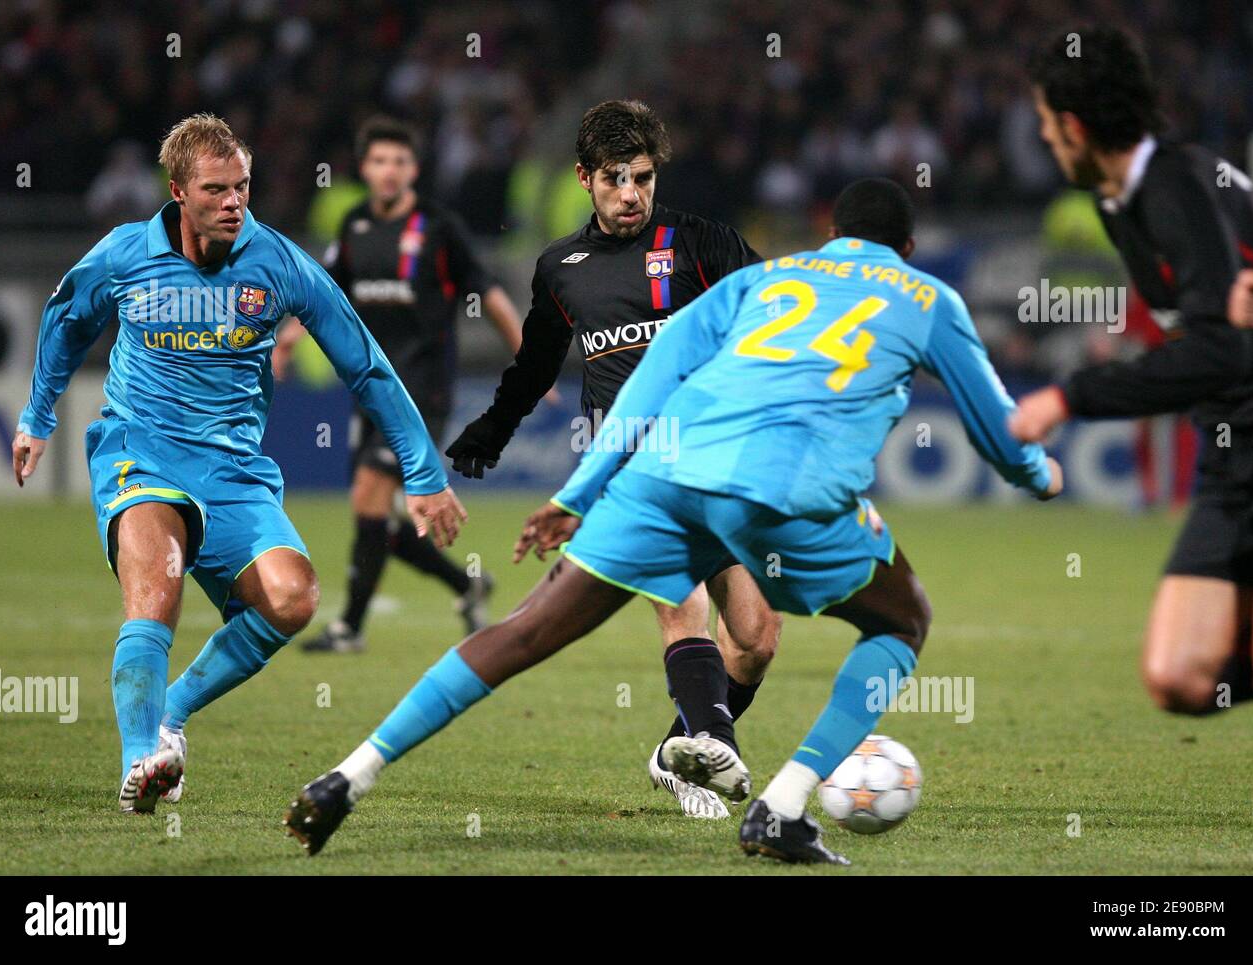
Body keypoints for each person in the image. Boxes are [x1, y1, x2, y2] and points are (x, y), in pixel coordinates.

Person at [283, 178, 1061, 864]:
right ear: (909, 248)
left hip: (662, 470)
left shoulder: (768, 278)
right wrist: (1041, 474)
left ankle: (347, 774)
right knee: (903, 618)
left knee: (522, 631)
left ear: (831, 236)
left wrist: (577, 493)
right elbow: (1003, 435)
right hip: (781, 490)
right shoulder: (928, 299)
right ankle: (780, 808)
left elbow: (652, 378)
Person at [11, 113, 465, 813]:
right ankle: (141, 761)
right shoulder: (126, 253)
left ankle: (171, 714)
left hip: (232, 470)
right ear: (178, 191)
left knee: (294, 598)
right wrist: (38, 416)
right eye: (217, 189)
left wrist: (425, 471)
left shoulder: (279, 264)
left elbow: (366, 368)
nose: (234, 202)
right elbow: (67, 319)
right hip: (141, 452)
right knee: (157, 591)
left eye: (243, 187)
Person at [444, 100, 783, 820]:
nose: (631, 194)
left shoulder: (703, 245)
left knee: (754, 638)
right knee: (683, 603)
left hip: (717, 464)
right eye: (615, 179)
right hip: (631, 468)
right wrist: (492, 429)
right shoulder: (560, 268)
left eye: (643, 178)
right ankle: (711, 742)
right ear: (584, 179)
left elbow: (776, 316)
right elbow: (535, 366)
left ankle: (677, 750)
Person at [1012, 27, 1253, 714]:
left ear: (1073, 126)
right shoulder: (1116, 200)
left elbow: (1224, 350)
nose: (1044, 139)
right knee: (1181, 678)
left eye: (1046, 124)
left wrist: (1071, 397)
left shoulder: (1177, 186)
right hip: (1233, 451)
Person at [274, 117, 525, 651]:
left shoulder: (438, 226)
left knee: (370, 497)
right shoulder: (355, 224)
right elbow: (324, 293)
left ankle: (349, 629)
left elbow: (490, 293)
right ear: (365, 168)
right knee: (383, 520)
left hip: (422, 392)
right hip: (371, 390)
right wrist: (288, 337)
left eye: (401, 162)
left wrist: (531, 360)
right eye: (380, 161)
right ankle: (467, 584)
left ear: (414, 169)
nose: (390, 171)